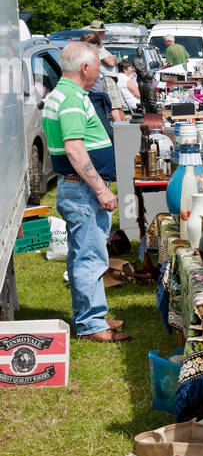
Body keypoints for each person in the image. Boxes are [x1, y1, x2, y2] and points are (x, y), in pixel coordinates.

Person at [41, 42, 128, 343]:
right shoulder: (71, 99)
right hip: (83, 191)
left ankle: (91, 316)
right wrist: (102, 189)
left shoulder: (64, 94)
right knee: (90, 257)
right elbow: (75, 148)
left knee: (84, 255)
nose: (100, 70)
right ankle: (91, 324)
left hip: (77, 188)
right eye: (97, 65)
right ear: (84, 68)